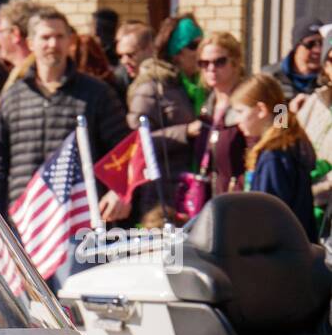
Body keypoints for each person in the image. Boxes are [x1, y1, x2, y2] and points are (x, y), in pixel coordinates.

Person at [0, 8, 128, 221]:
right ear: (31, 43)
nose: (53, 44)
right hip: (24, 220)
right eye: (46, 37)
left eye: (59, 37)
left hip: (79, 220)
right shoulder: (12, 97)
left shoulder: (97, 93)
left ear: (70, 41)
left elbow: (122, 151)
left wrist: (119, 192)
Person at [126, 17, 201, 220]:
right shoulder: (152, 86)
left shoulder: (200, 87)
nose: (200, 51)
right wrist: (185, 132)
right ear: (177, 53)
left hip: (194, 189)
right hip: (162, 192)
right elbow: (137, 141)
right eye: (194, 45)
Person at [232, 72, 318, 240]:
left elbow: (267, 219)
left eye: (240, 111)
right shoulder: (288, 143)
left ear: (261, 110)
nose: (237, 120)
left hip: (282, 258)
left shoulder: (274, 156)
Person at [195, 31, 249, 198]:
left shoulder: (252, 99)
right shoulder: (205, 108)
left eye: (219, 62)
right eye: (204, 63)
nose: (211, 69)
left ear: (235, 62)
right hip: (211, 203)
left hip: (243, 202)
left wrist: (283, 124)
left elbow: (280, 108)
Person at [264, 17, 324, 101]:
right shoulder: (271, 77)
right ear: (296, 46)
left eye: (322, 43)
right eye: (311, 44)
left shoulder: (328, 78)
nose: (318, 50)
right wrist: (290, 112)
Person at [112, 21, 154, 96]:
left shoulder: (167, 81)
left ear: (150, 50)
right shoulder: (118, 82)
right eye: (120, 56)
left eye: (130, 55)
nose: (124, 61)